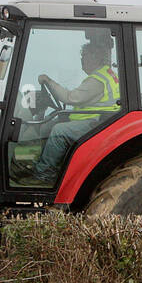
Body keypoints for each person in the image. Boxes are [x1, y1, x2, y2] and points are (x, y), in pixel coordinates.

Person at [27, 42, 121, 184]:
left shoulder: (97, 80)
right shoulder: (105, 74)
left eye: (85, 56)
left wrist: (48, 80)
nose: (82, 60)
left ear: (95, 57)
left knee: (59, 131)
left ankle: (44, 173)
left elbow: (70, 98)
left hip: (98, 123)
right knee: (49, 124)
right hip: (100, 119)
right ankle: (46, 165)